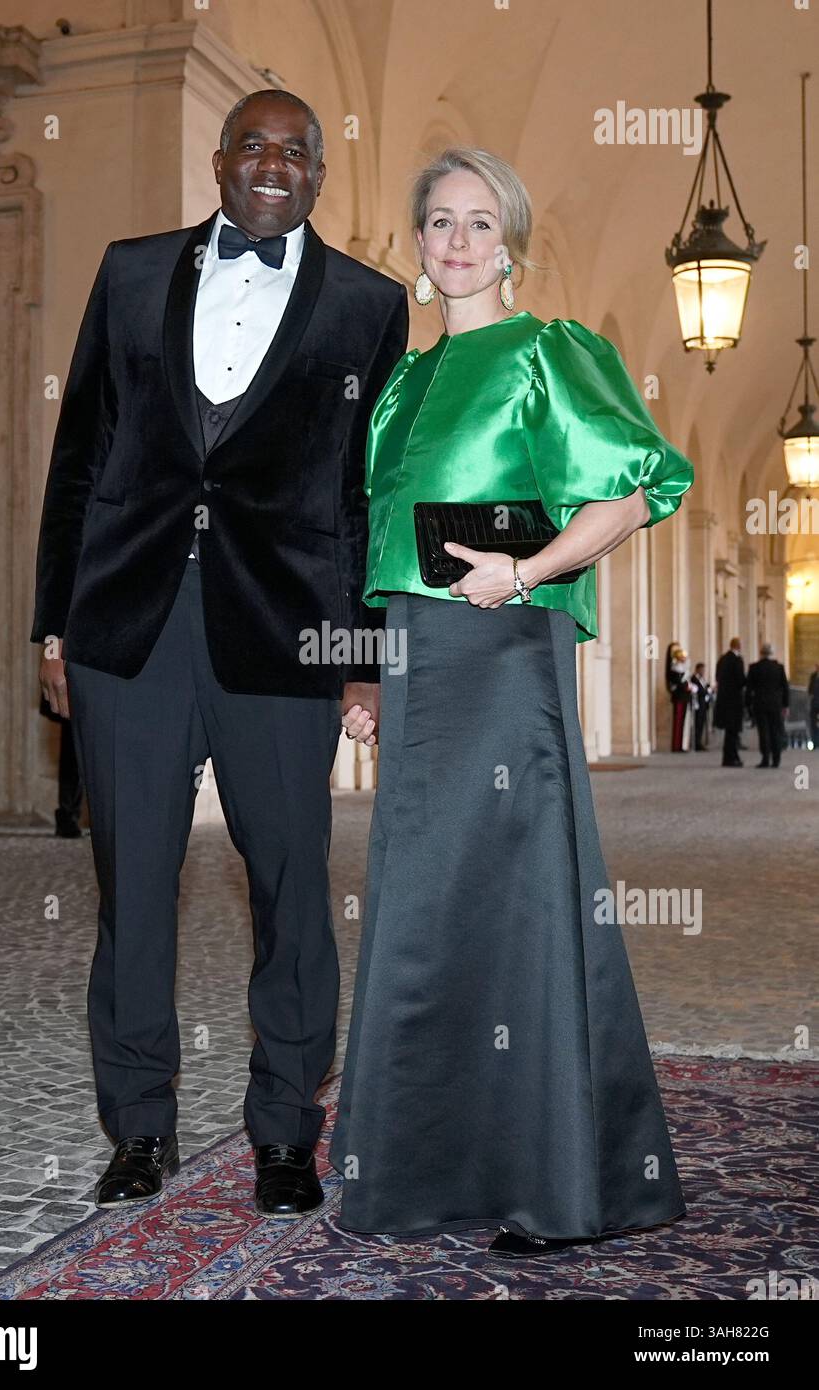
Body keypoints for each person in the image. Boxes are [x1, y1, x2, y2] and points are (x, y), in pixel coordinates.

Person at [32, 90, 408, 1216]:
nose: (274, 163)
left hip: (288, 635)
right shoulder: (133, 270)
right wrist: (56, 619)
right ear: (219, 161)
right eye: (255, 145)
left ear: (319, 176)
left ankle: (286, 1130)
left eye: (297, 151)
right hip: (128, 623)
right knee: (132, 887)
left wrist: (363, 652)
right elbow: (79, 450)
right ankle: (139, 1130)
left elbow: (369, 495)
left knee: (293, 888)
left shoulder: (370, 303)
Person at [331, 148, 694, 1256]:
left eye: (480, 223)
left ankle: (559, 1181)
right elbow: (384, 538)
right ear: (419, 245)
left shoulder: (550, 352)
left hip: (502, 647)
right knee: (425, 902)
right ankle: (429, 1173)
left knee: (522, 896)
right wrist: (371, 671)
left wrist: (525, 574)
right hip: (418, 652)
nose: (457, 241)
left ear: (512, 244)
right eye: (438, 222)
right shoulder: (402, 381)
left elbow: (639, 488)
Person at [38, 692, 85, 837]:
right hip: (74, 683)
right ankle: (68, 815)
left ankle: (70, 815)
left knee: (76, 754)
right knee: (72, 751)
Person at [746, 642, 790, 768]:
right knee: (775, 731)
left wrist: (748, 704)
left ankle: (765, 758)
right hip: (775, 704)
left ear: (761, 653)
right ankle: (776, 759)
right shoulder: (779, 667)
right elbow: (785, 687)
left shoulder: (754, 667)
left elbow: (749, 688)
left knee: (763, 732)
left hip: (760, 704)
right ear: (771, 653)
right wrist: (786, 705)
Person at [714, 638, 746, 767]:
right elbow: (740, 680)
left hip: (723, 699)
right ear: (738, 646)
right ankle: (730, 758)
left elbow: (717, 677)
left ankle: (731, 757)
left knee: (729, 731)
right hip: (734, 701)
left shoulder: (722, 659)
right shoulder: (737, 660)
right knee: (733, 731)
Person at [666, 644, 692, 752]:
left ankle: (679, 745)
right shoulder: (674, 669)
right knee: (677, 722)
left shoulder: (682, 668)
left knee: (681, 722)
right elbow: (678, 683)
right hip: (679, 697)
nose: (684, 659)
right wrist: (686, 686)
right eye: (682, 657)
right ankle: (676, 746)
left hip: (683, 697)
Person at [689, 661, 712, 751]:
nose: (703, 671)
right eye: (702, 669)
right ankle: (697, 743)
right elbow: (699, 691)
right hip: (697, 704)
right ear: (698, 669)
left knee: (701, 724)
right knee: (697, 724)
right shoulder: (694, 678)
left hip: (703, 704)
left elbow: (704, 687)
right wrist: (707, 691)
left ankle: (699, 742)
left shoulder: (702, 678)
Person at [807, 663, 819, 749]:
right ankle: (815, 742)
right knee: (813, 723)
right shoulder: (813, 676)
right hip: (814, 703)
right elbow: (810, 690)